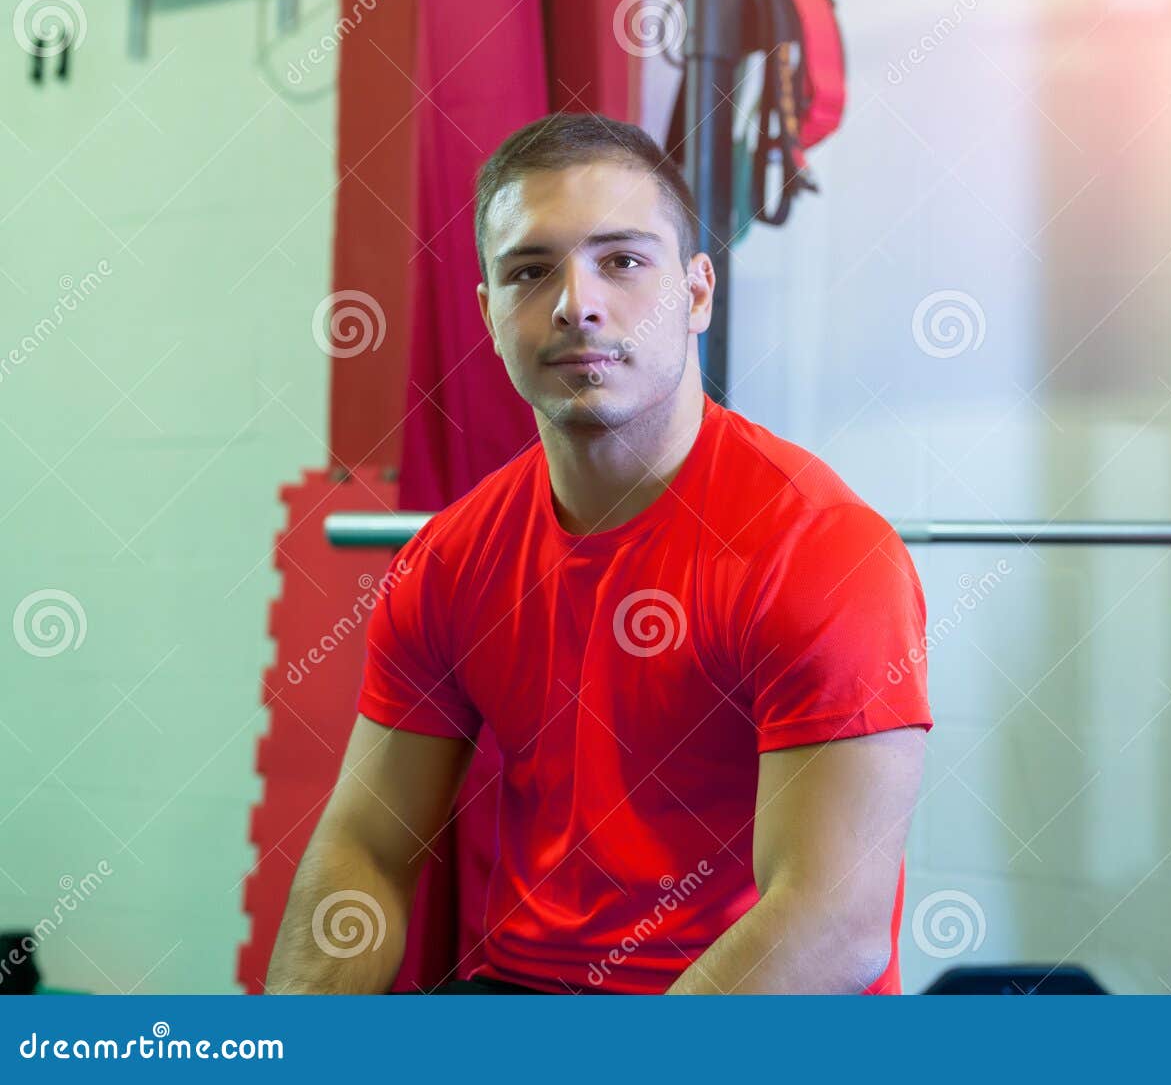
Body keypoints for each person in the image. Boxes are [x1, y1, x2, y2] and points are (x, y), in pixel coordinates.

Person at [265, 113, 932, 995]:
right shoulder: (449, 560)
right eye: (531, 270)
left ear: (697, 294)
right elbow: (367, 849)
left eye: (622, 261)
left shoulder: (823, 550)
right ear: (489, 313)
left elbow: (832, 925)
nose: (577, 302)